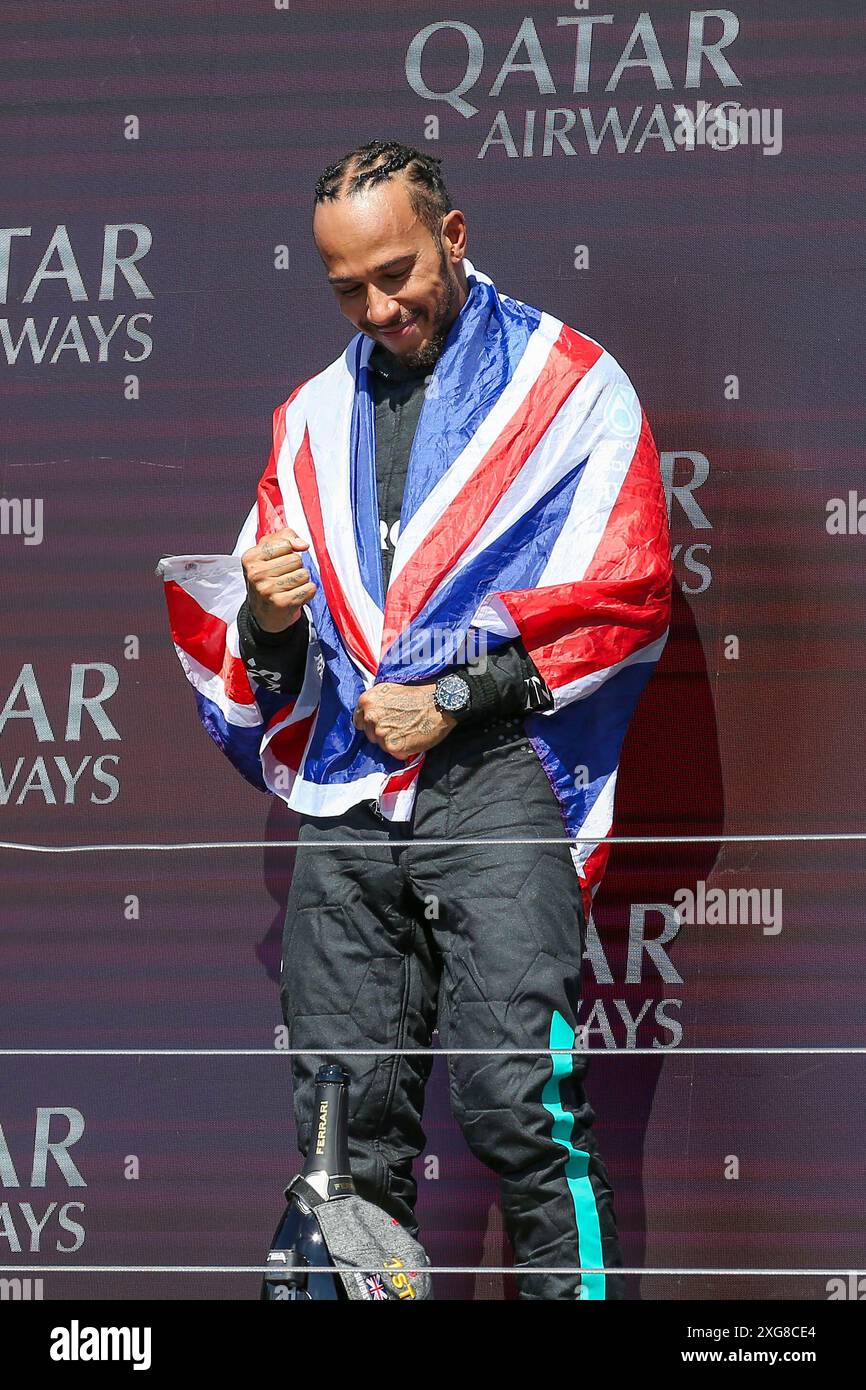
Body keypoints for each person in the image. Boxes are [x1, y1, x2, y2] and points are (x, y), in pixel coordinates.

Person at [157, 139, 672, 1300]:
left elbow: (622, 594)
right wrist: (273, 621)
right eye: (348, 288)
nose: (380, 307)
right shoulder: (307, 420)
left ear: (452, 235)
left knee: (515, 1104)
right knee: (341, 1134)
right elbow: (268, 656)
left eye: (397, 273)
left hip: (497, 777)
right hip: (351, 790)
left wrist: (448, 697)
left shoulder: (571, 384)